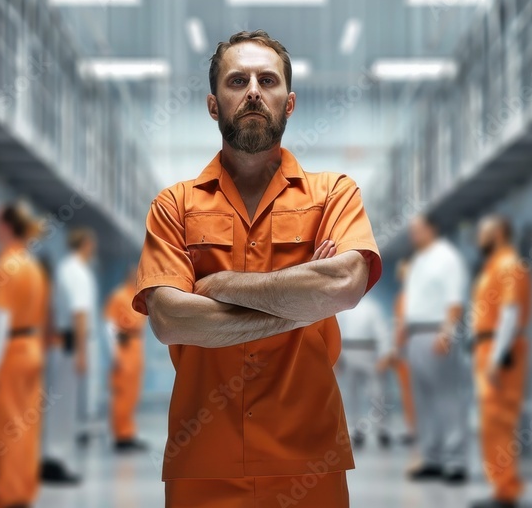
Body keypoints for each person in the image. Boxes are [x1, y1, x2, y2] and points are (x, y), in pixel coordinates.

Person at [132, 30, 382, 507]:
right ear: (212, 105)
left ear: (289, 104)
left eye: (267, 80)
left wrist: (221, 285)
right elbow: (169, 319)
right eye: (237, 80)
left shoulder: (333, 193)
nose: (252, 91)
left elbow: (346, 285)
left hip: (308, 458)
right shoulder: (174, 206)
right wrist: (305, 301)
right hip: (204, 459)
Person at [0, 201, 51, 508]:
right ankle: (22, 490)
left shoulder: (6, 265)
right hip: (31, 349)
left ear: (6, 227)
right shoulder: (32, 266)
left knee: (3, 425)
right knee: (24, 425)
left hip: (9, 351)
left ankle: (6, 494)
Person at [402, 214, 470, 483]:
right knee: (423, 399)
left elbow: (455, 299)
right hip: (416, 334)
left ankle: (455, 462)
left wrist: (448, 333)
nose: (413, 235)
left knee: (446, 397)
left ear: (433, 228)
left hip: (436, 332)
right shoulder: (419, 260)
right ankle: (432, 458)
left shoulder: (447, 258)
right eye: (412, 231)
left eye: (418, 230)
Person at [470, 215, 532, 508]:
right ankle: (500, 487)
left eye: (483, 232)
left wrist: (496, 356)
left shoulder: (509, 266)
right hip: (488, 346)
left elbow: (510, 311)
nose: (478, 238)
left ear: (498, 233)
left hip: (500, 349)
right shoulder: (494, 266)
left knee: (500, 421)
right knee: (491, 422)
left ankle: (506, 490)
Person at [41, 228, 95, 483]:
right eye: (91, 243)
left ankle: (53, 458)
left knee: (58, 405)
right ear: (84, 244)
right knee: (63, 406)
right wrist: (83, 352)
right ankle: (55, 461)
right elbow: (79, 313)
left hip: (60, 343)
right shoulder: (77, 273)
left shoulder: (64, 269)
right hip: (71, 344)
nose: (93, 248)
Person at [336, 294, 394, 449]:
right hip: (348, 350)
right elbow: (337, 332)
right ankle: (354, 430)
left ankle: (382, 429)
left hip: (370, 351)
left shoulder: (372, 307)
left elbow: (382, 330)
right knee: (350, 394)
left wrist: (384, 354)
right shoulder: (343, 307)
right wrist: (337, 356)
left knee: (377, 393)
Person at [105, 268, 148, 452]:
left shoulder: (138, 298)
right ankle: (120, 436)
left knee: (132, 393)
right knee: (122, 392)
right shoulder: (119, 296)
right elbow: (109, 326)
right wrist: (113, 353)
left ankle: (128, 432)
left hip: (136, 346)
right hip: (124, 346)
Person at [391, 260, 417, 445]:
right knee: (408, 391)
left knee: (419, 392)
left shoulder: (416, 298)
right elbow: (398, 325)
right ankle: (412, 429)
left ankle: (421, 429)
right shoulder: (401, 298)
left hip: (416, 348)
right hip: (405, 350)